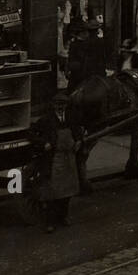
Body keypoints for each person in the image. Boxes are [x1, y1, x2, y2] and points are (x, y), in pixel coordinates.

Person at [31, 91, 84, 233]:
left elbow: (77, 131)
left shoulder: (71, 118)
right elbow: (31, 133)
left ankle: (63, 217)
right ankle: (50, 222)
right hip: (54, 160)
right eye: (57, 104)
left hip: (69, 159)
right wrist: (44, 143)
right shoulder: (46, 120)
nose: (60, 107)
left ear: (66, 106)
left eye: (63, 104)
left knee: (68, 192)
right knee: (52, 194)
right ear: (53, 105)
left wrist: (79, 140)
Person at [67, 15, 109, 92]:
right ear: (97, 30)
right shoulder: (101, 41)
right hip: (99, 71)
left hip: (86, 73)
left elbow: (82, 58)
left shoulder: (85, 42)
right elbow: (103, 57)